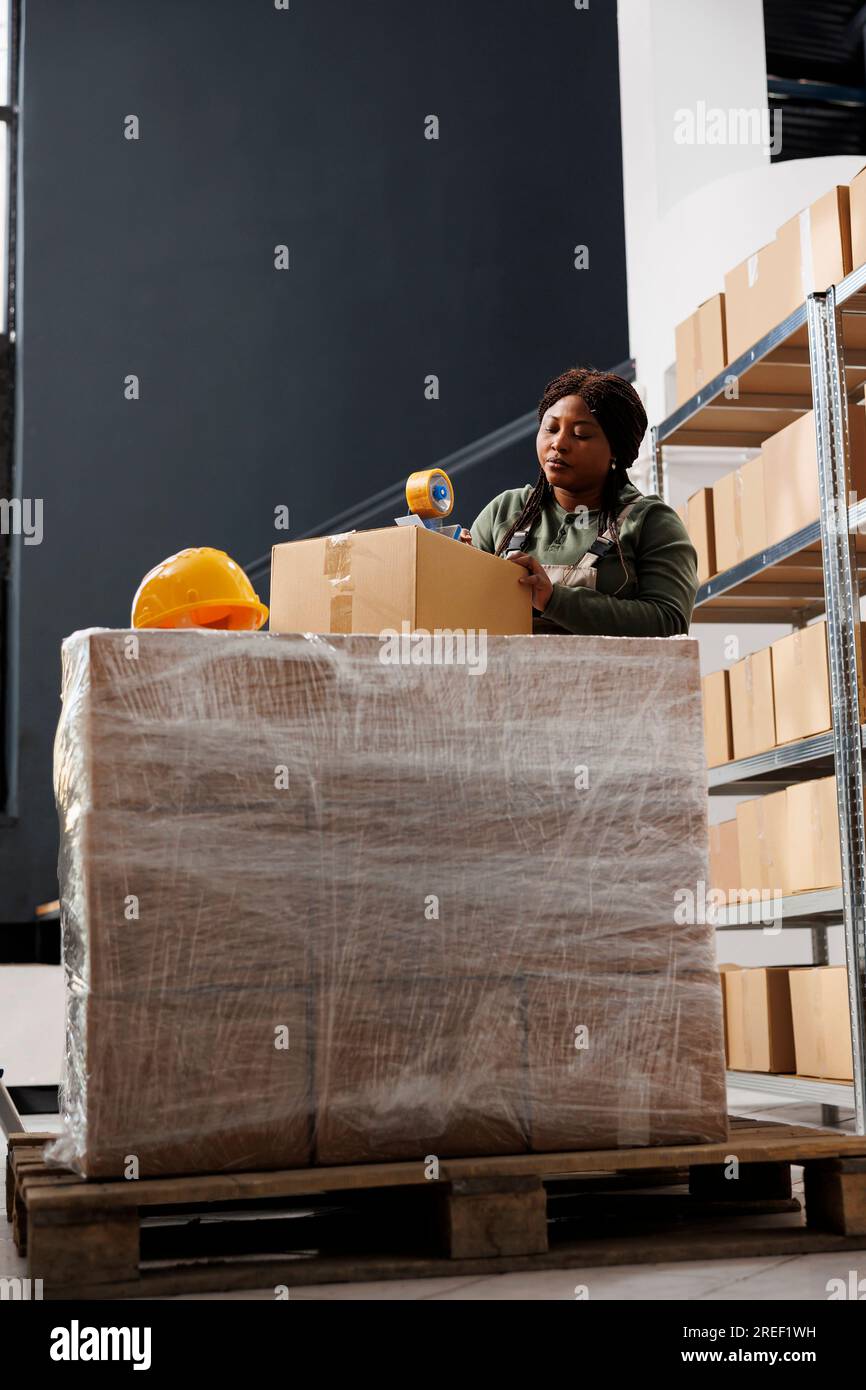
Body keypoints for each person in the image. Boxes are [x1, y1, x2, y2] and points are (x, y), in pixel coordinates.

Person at [466, 367, 699, 636]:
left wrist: (554, 600)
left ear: (616, 449)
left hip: (608, 678)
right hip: (505, 677)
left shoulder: (652, 523)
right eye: (551, 429)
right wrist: (455, 564)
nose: (559, 443)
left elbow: (669, 621)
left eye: (580, 435)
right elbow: (460, 608)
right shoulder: (506, 511)